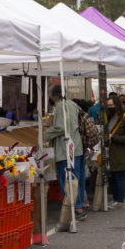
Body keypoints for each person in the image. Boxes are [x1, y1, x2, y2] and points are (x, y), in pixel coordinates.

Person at [45, 83, 86, 227]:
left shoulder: (60, 106)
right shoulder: (73, 104)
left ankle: (75, 208)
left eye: (50, 94)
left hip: (66, 149)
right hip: (77, 147)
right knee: (77, 178)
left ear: (53, 95)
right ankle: (80, 205)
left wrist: (44, 133)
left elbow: (61, 128)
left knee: (68, 180)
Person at [104, 94, 125, 209]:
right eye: (108, 105)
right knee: (113, 177)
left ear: (117, 105)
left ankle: (120, 200)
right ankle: (116, 199)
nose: (109, 107)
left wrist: (114, 137)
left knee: (119, 176)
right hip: (113, 153)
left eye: (111, 105)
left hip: (122, 153)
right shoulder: (111, 117)